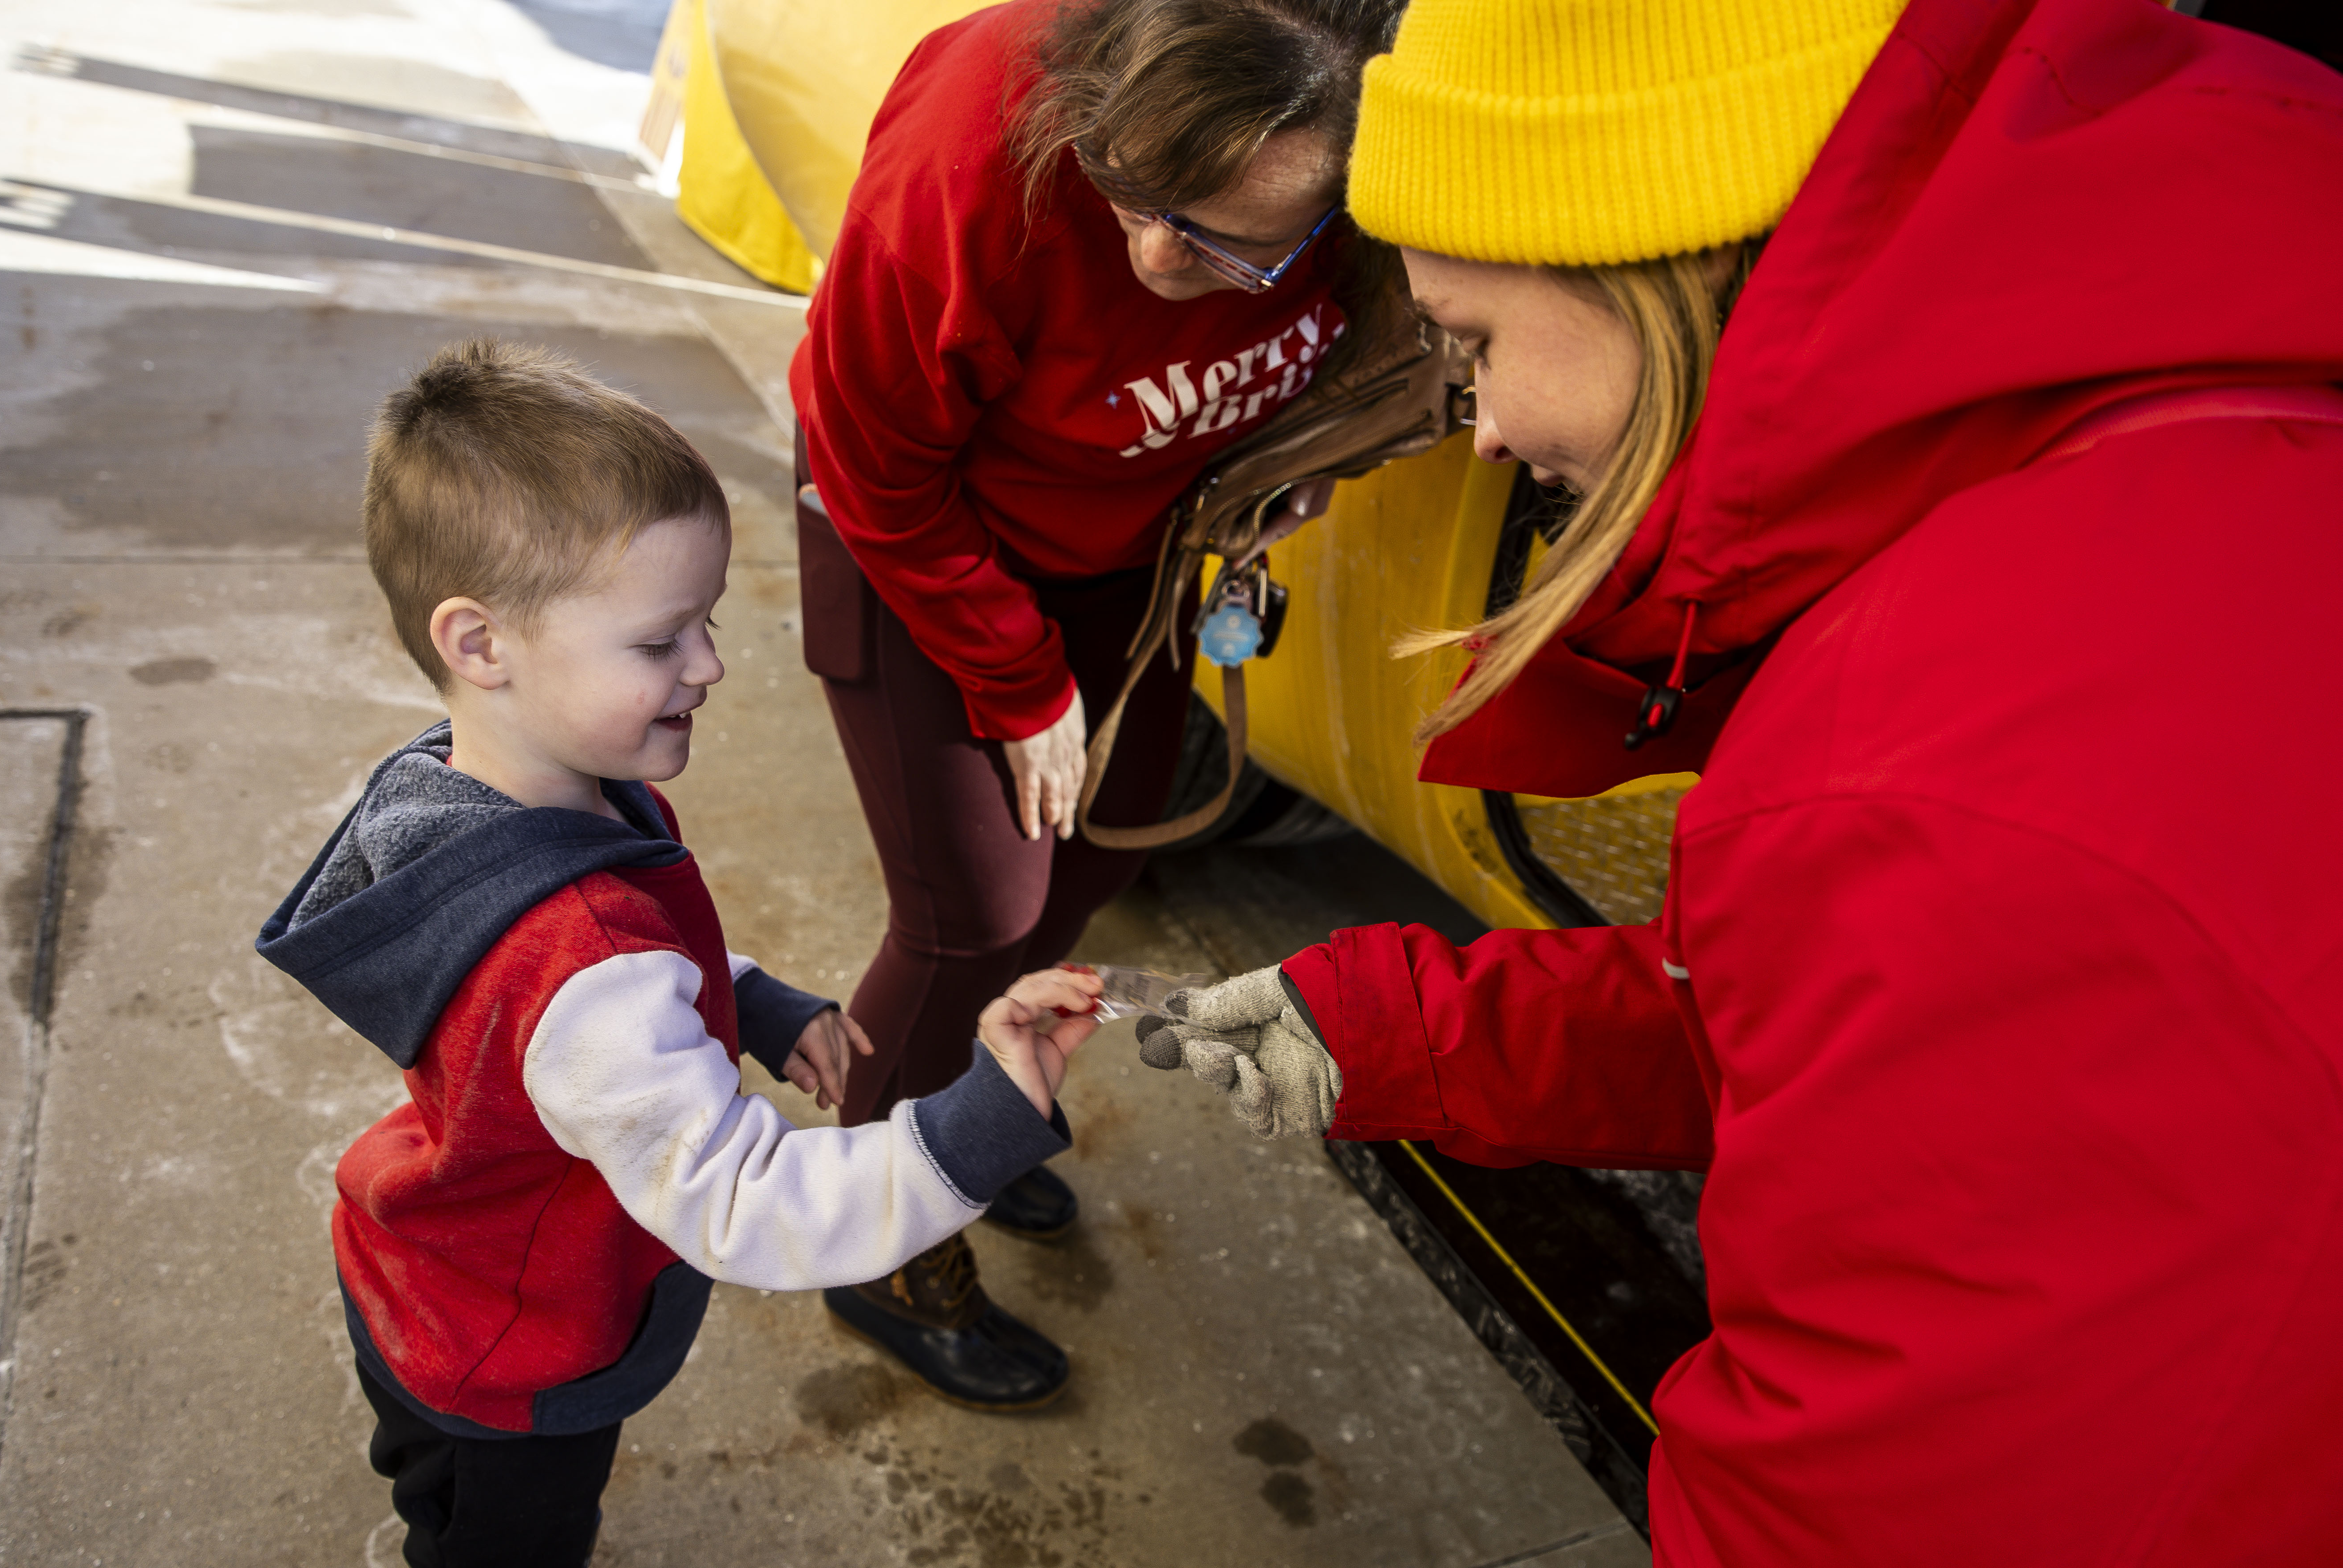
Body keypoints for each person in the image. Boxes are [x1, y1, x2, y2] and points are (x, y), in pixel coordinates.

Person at [1139, 0, 2343, 1561]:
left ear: (1662, 260)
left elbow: (1868, 1517)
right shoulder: (2176, 481)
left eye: (1479, 342)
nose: (1486, 430)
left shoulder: (1920, 767)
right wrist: (1399, 1034)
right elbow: (1834, 1021)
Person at [255, 341, 1107, 1568]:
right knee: (498, 1544)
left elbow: (604, 971)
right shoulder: (588, 961)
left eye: (704, 624)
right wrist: (980, 1122)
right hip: (510, 1350)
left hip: (424, 1250)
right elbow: (746, 1204)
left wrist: (750, 1002)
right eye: (661, 642)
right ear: (481, 644)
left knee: (437, 1487)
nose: (709, 664)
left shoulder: (468, 792)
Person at [788, 0, 1402, 1407]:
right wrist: (1013, 673)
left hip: (1135, 549)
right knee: (971, 920)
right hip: (931, 541)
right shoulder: (978, 134)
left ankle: (971, 1113)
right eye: (1131, 193)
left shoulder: (1401, 160)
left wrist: (1302, 451)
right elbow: (869, 454)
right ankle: (875, 1236)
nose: (1149, 255)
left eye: (1222, 234)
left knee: (1113, 848)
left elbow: (1395, 349)